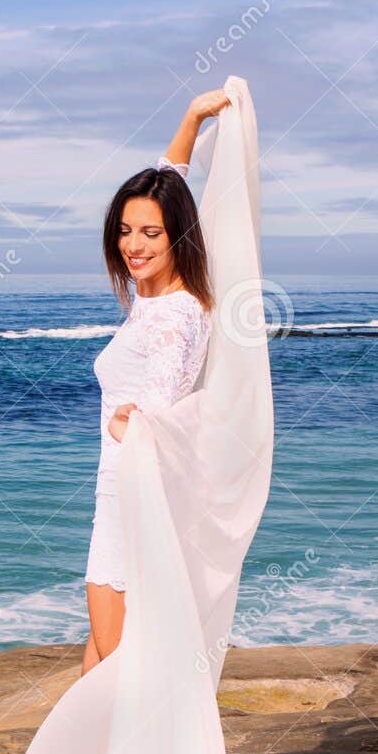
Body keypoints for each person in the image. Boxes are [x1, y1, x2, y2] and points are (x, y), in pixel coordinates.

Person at [82, 90, 230, 673]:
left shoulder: (175, 314)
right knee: (101, 655)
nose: (133, 246)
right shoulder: (163, 298)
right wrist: (192, 119)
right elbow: (170, 180)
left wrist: (129, 421)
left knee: (116, 663)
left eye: (150, 233)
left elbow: (161, 415)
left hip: (130, 496)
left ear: (179, 235)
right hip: (122, 492)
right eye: (124, 230)